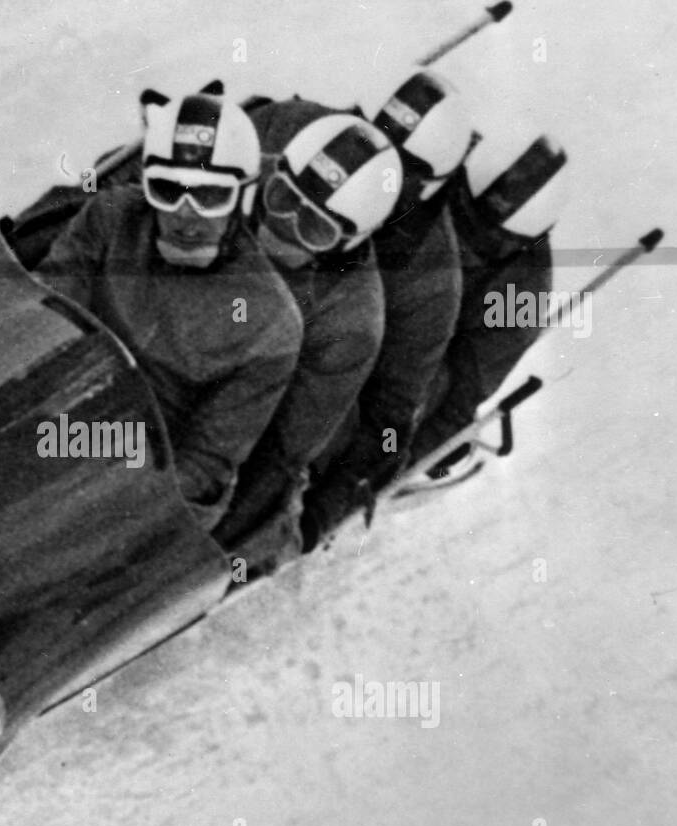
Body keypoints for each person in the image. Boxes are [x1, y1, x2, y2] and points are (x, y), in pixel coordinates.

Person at [36, 87, 303, 531]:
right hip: (59, 410)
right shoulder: (112, 217)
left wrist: (99, 496)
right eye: (168, 190)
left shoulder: (270, 324)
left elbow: (205, 462)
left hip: (141, 462)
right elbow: (47, 311)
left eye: (210, 196)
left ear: (241, 196)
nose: (186, 215)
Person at [214, 104, 400, 562]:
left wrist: (203, 549)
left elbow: (279, 451)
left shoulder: (351, 323)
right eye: (282, 199)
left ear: (345, 244)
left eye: (314, 228)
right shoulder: (229, 176)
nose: (283, 227)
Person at [301, 69, 477, 550]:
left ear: (427, 185)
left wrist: (329, 506)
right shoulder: (310, 135)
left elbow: (389, 417)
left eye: (402, 167)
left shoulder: (431, 283)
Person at [408, 129, 569, 476]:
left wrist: (402, 456)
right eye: (463, 214)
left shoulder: (521, 296)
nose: (463, 240)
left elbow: (462, 391)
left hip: (422, 354)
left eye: (486, 239)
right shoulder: (450, 156)